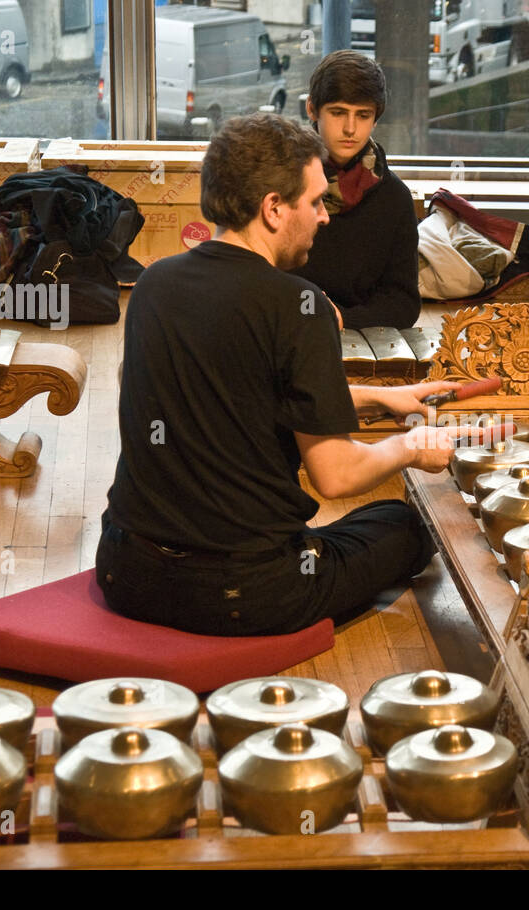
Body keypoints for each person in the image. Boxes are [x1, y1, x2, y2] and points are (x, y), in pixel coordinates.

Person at [98, 113, 471, 638]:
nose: (324, 217)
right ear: (274, 207)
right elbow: (335, 476)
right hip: (244, 592)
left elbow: (235, 390)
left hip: (126, 572)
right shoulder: (301, 306)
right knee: (402, 525)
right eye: (317, 201)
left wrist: (385, 398)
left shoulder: (155, 283)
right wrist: (410, 448)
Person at [291, 50, 421, 330]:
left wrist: (340, 319)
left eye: (363, 115)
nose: (350, 128)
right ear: (312, 110)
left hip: (359, 335)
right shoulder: (280, 183)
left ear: (376, 118)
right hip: (284, 331)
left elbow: (404, 301)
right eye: (338, 113)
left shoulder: (394, 197)